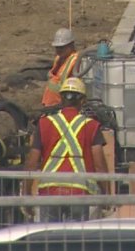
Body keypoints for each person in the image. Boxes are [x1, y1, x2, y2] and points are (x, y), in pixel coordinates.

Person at [24, 77, 109, 222]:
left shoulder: (44, 124)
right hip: (80, 192)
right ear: (83, 101)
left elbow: (32, 162)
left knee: (49, 241)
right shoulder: (91, 126)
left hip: (49, 192)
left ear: (61, 99)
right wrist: (107, 195)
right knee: (76, 242)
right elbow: (99, 164)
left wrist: (26, 195)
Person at [41, 28, 80, 109]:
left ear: (71, 45)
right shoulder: (59, 58)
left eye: (62, 47)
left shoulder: (75, 60)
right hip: (50, 104)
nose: (58, 50)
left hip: (61, 105)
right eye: (57, 47)